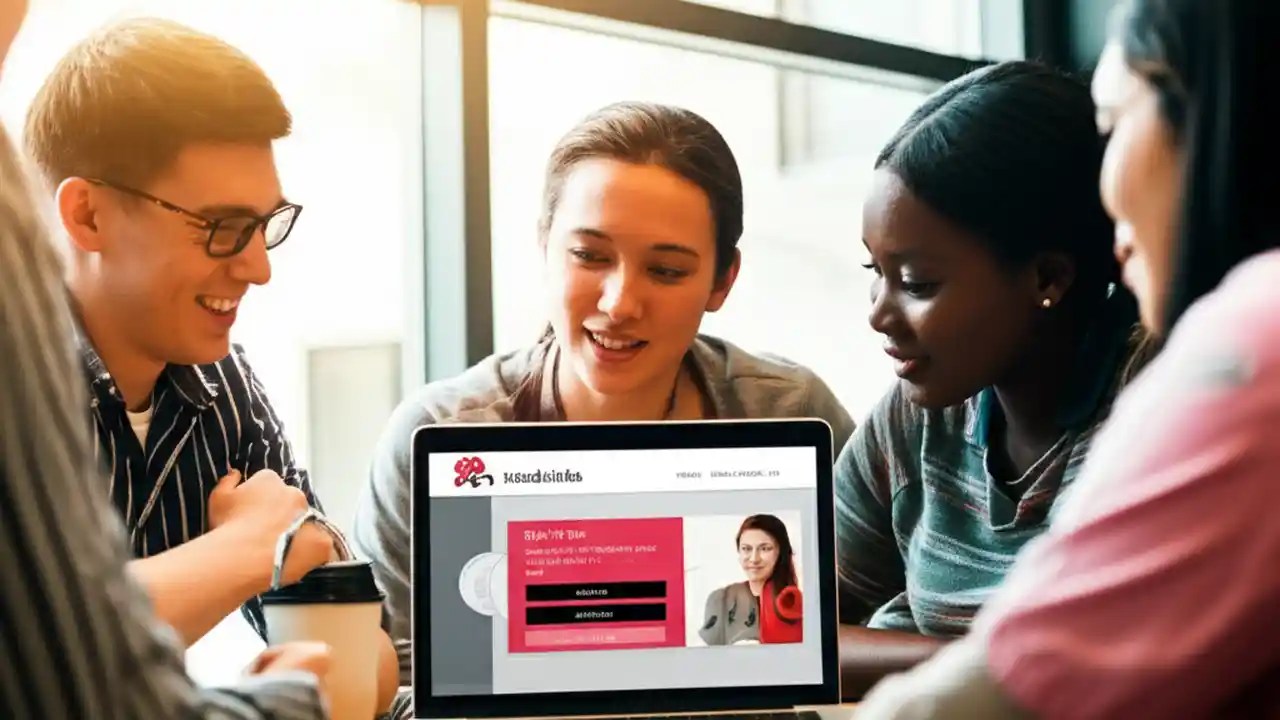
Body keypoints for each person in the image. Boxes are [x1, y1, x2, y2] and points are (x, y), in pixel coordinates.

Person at [855, 1, 1280, 717]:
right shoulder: (921, 411)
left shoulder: (1248, 344)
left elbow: (1011, 687)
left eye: (1113, 124)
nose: (1103, 192)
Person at [353, 101, 856, 682]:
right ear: (544, 245)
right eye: (589, 256)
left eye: (666, 270)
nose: (619, 304)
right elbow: (390, 682)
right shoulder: (436, 433)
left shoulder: (792, 411)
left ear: (722, 281)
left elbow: (873, 625)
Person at [22, 16, 398, 711]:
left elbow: (365, 667)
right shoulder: (19, 386)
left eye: (263, 227)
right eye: (223, 228)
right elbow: (36, 651)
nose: (257, 268)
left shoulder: (222, 386)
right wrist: (249, 548)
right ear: (89, 216)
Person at [835, 60, 1153, 696]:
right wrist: (962, 663)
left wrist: (956, 665)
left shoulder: (1155, 406)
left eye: (916, 283)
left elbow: (1106, 667)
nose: (878, 313)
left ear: (1047, 278)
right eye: (876, 271)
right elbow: (786, 626)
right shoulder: (917, 412)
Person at [699, 514, 803, 646]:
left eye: (765, 548)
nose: (754, 559)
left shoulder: (797, 604)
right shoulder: (721, 600)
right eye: (746, 549)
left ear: (780, 552)